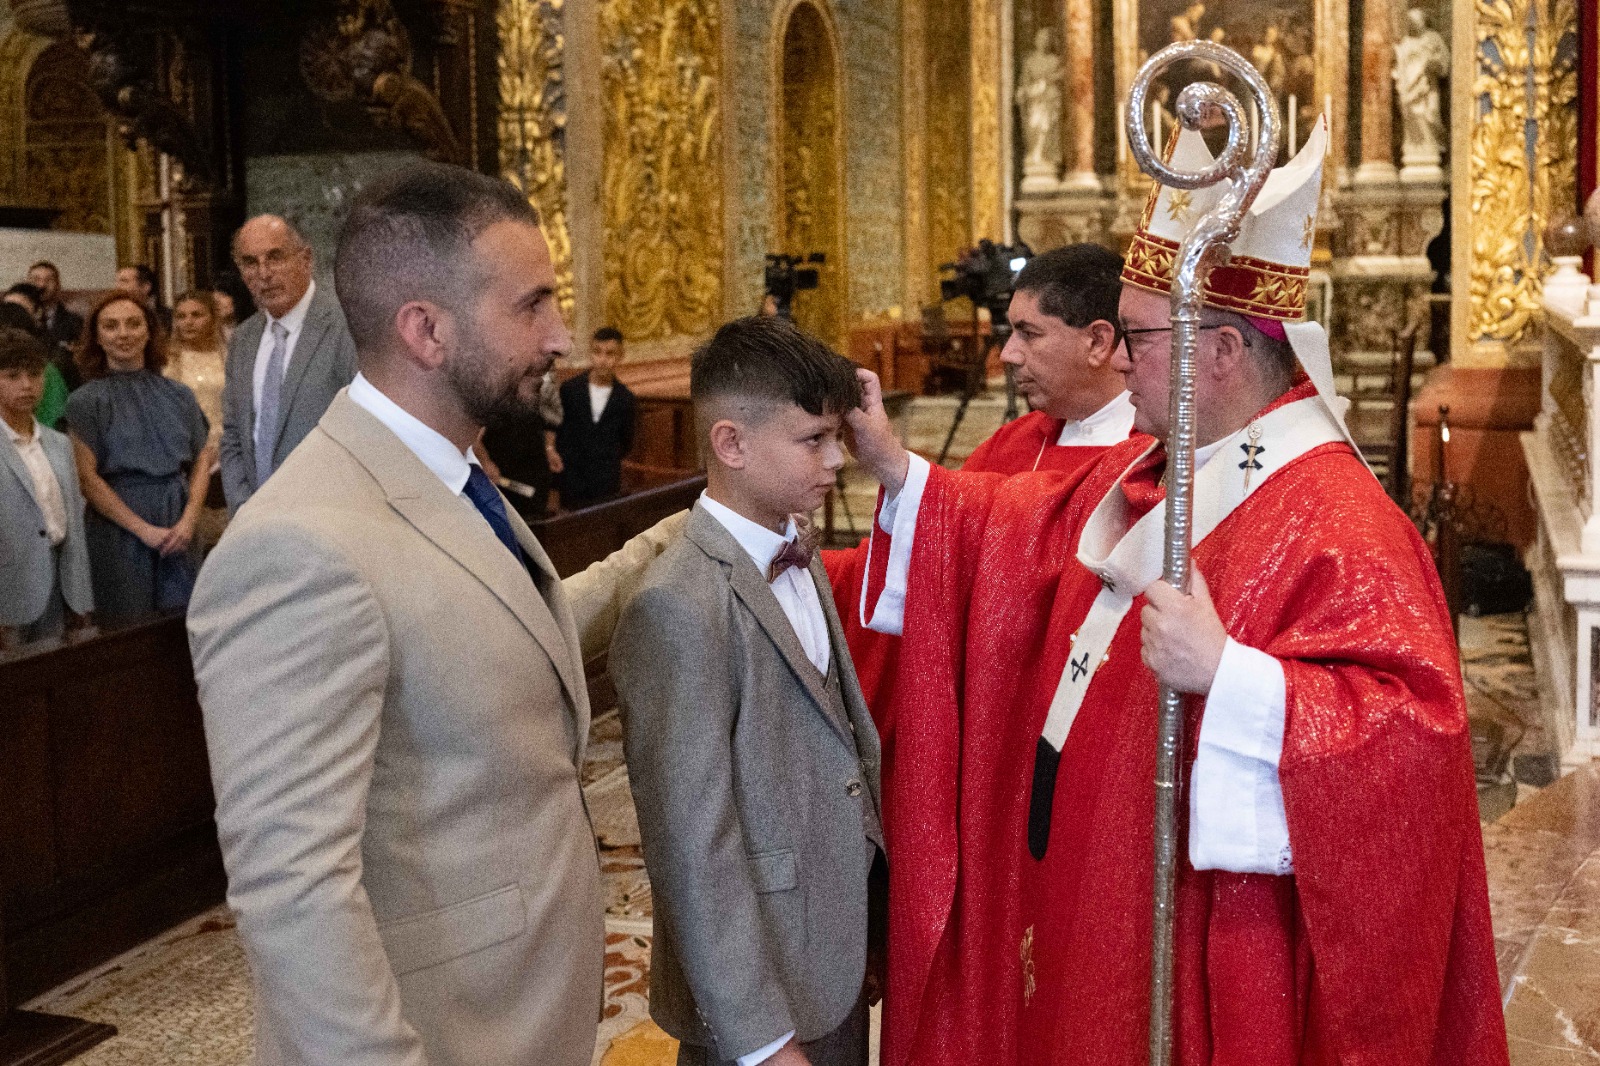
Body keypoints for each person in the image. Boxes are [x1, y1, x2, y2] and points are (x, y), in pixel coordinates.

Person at [839, 120, 1507, 1066]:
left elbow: (1414, 740)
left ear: (1221, 351)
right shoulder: (1173, 469)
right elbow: (1027, 527)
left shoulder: (1337, 522)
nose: (1119, 362)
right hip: (1092, 897)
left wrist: (1232, 678)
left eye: (1141, 340)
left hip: (1216, 944)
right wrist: (896, 469)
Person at [188, 162, 685, 1066]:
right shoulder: (298, 544)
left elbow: (489, 642)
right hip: (443, 1031)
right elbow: (293, 889)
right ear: (426, 330)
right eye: (531, 305)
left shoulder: (447, 473)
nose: (559, 334)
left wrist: (673, 540)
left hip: (522, 1006)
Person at [612, 315, 883, 1066]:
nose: (837, 461)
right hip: (754, 996)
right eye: (813, 440)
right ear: (730, 443)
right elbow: (692, 843)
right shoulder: (678, 604)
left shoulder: (793, 543)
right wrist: (761, 1041)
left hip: (825, 955)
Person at [825, 243, 1134, 717]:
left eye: (1028, 334)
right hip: (993, 713)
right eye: (1010, 332)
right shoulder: (1016, 442)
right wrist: (796, 564)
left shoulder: (1152, 459)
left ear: (1097, 341)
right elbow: (938, 552)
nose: (1008, 354)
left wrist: (893, 465)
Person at [66, 292, 211, 625]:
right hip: (119, 527)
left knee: (186, 625)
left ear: (149, 331)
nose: (123, 334)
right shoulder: (85, 401)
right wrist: (143, 530)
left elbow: (202, 459)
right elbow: (87, 479)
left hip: (178, 520)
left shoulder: (178, 393)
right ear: (97, 337)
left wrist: (189, 519)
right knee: (127, 630)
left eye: (133, 323)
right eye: (111, 326)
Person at [218, 215, 358, 512]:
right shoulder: (243, 339)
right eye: (250, 263)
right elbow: (233, 436)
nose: (264, 274)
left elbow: (367, 431)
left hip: (329, 516)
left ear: (306, 259)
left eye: (275, 258)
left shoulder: (347, 328)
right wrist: (244, 508)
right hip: (255, 520)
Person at [0, 327, 93, 650]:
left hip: (58, 580)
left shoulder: (58, 443)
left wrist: (81, 595)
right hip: (9, 584)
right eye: (12, 376)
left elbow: (74, 524)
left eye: (35, 374)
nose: (27, 385)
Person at [167, 290, 230, 548]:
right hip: (185, 454)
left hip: (225, 452)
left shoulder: (229, 356)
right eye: (181, 316)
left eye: (196, 315)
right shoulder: (168, 359)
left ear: (212, 319)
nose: (188, 322)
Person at [555, 326, 637, 508]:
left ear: (620, 356)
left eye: (610, 354)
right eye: (597, 352)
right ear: (590, 353)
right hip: (573, 480)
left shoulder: (625, 398)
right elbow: (560, 431)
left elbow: (626, 442)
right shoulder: (570, 390)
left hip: (605, 482)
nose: (602, 360)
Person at [482, 368, 564, 517]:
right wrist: (484, 460)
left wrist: (549, 448)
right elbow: (474, 428)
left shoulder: (544, 369)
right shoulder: (491, 373)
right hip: (499, 467)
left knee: (535, 521)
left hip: (535, 465)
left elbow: (551, 418)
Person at [28, 261, 85, 364]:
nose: (42, 285)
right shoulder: (16, 320)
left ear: (58, 285)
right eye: (36, 280)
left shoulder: (75, 322)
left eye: (49, 280)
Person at [115, 264, 172, 332]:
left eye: (124, 281)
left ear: (146, 287)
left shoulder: (168, 318)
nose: (117, 287)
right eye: (117, 282)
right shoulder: (113, 314)